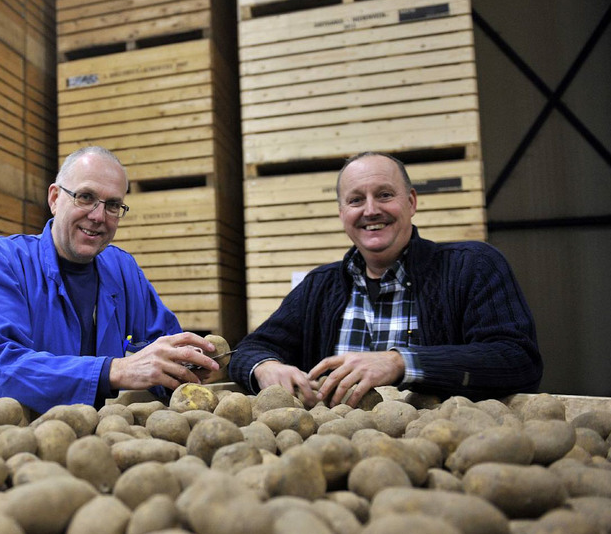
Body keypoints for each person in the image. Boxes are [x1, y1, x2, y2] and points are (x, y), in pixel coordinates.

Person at [228, 151, 543, 408]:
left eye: (384, 195)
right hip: (337, 452)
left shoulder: (472, 266)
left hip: (441, 449)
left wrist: (401, 362)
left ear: (411, 202)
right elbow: (250, 349)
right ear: (342, 213)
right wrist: (266, 368)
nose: (370, 210)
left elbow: (518, 361)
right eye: (355, 200)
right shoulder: (319, 286)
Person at [0, 146, 219, 415]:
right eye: (85, 197)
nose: (98, 217)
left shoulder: (123, 269)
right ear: (54, 198)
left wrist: (189, 364)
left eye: (113, 205)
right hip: (17, 441)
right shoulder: (1, 261)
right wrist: (112, 371)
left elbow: (162, 345)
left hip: (106, 439)